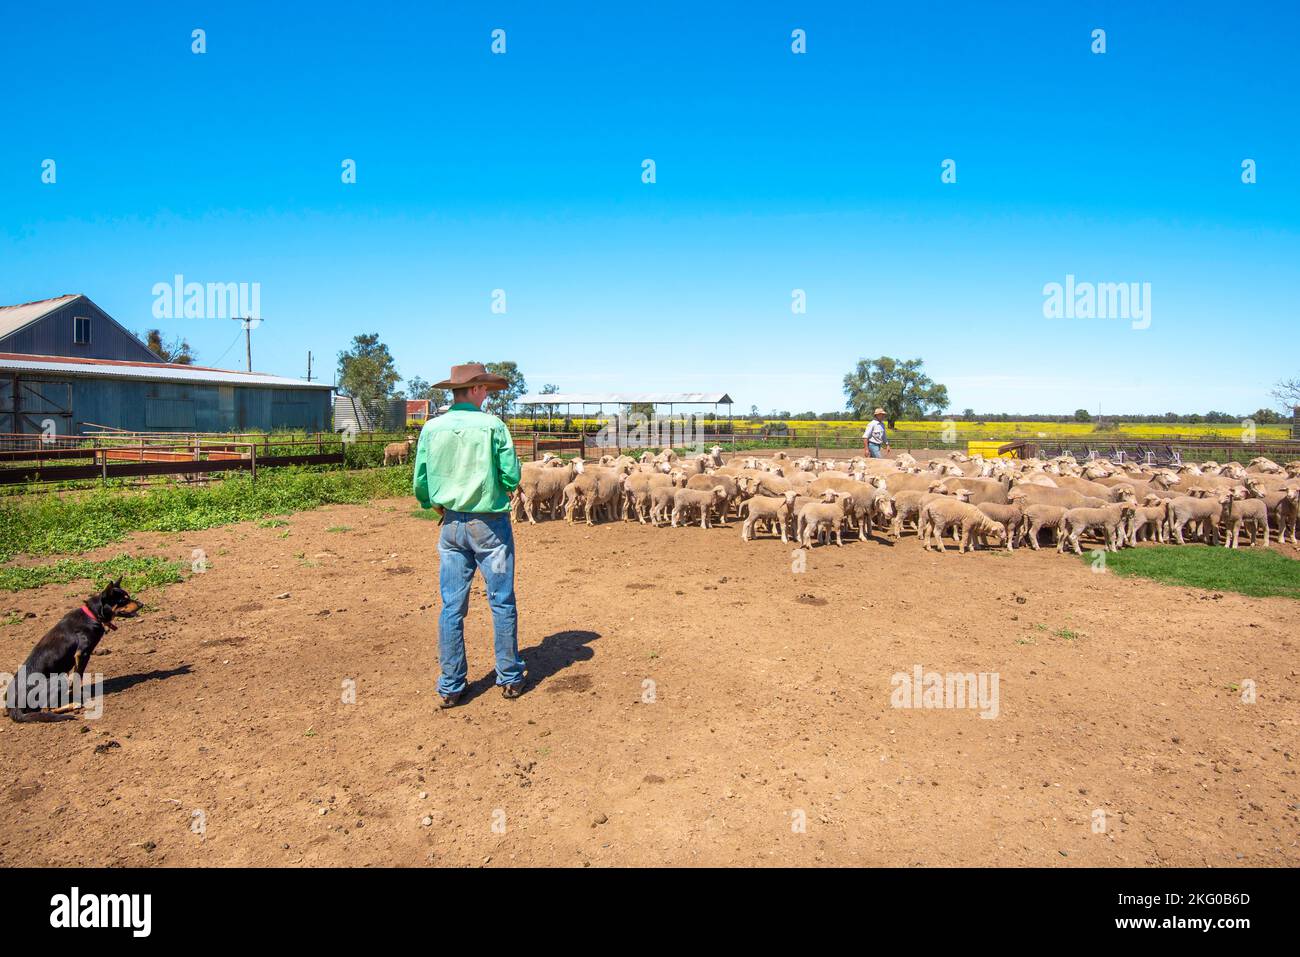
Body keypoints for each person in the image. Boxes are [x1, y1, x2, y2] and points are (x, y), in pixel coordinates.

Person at [412, 363, 524, 708]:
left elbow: (421, 481)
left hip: (450, 526)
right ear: (475, 390)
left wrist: (435, 504)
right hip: (490, 525)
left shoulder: (431, 428)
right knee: (501, 600)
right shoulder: (493, 426)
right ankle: (508, 676)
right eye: (486, 388)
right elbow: (511, 474)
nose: (488, 394)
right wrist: (502, 488)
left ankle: (451, 684)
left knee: (451, 605)